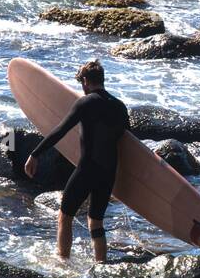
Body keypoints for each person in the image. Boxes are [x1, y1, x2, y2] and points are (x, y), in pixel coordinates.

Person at [23, 59, 128, 262]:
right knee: (96, 221)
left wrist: (35, 154)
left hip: (87, 168)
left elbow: (60, 130)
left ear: (86, 81)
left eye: (82, 83)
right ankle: (101, 264)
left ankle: (63, 260)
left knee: (65, 215)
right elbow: (128, 143)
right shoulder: (119, 107)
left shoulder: (85, 102)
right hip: (109, 171)